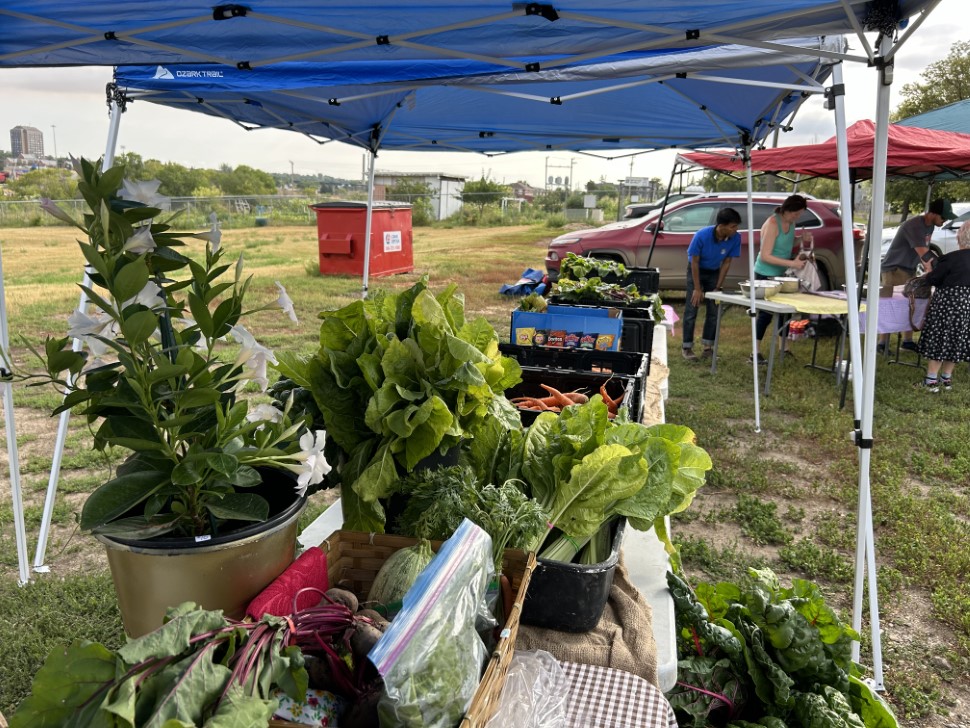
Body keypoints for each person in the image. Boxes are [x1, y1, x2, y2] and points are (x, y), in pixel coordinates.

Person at [878, 198, 955, 353]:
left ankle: (907, 341)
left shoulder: (930, 226)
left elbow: (924, 253)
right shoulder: (914, 226)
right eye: (943, 217)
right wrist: (944, 267)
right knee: (891, 305)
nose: (945, 220)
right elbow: (924, 253)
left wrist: (930, 270)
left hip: (908, 268)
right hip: (894, 268)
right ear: (933, 213)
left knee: (911, 304)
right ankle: (881, 344)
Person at [750, 194, 810, 363]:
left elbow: (785, 243)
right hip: (765, 273)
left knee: (784, 312)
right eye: (795, 214)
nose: (796, 217)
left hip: (781, 274)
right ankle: (755, 351)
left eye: (799, 215)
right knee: (766, 314)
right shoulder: (772, 223)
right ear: (787, 209)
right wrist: (792, 263)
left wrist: (800, 239)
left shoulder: (791, 223)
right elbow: (765, 256)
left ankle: (784, 348)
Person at [915, 223, 970, 392]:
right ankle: (946, 378)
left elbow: (934, 280)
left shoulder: (951, 258)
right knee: (956, 338)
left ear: (959, 236)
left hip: (947, 303)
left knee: (940, 338)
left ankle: (931, 380)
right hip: (967, 304)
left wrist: (929, 269)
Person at [682, 207, 742, 361]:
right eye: (733, 226)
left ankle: (707, 347)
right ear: (721, 226)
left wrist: (718, 286)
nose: (735, 230)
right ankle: (687, 347)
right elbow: (694, 262)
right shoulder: (701, 235)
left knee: (713, 310)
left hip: (714, 272)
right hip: (696, 270)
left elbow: (727, 262)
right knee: (692, 308)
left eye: (736, 226)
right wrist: (697, 288)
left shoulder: (736, 238)